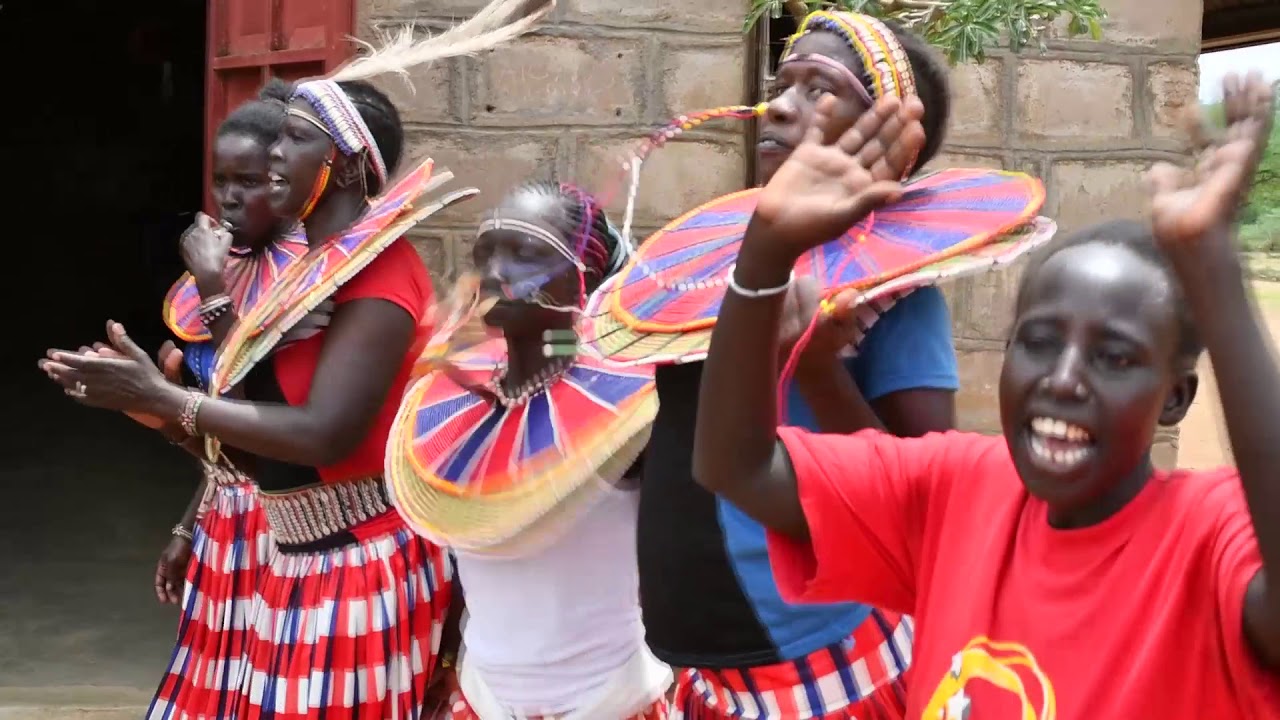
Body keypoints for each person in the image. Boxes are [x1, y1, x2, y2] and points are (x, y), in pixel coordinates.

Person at [693, 72, 1280, 717]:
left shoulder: (1203, 533)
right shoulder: (957, 491)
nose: (1062, 379)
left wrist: (1214, 274)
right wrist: (766, 252)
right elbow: (736, 466)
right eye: (1038, 342)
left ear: (1174, 398)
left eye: (1114, 357)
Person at [37, 3, 554, 711]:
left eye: (294, 141)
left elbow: (324, 434)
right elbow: (259, 448)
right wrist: (148, 406)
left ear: (342, 164)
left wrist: (169, 398)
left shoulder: (380, 275)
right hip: (295, 559)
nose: (272, 154)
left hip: (359, 565)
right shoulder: (308, 272)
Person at [637, 12, 954, 718]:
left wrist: (813, 362)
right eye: (783, 83)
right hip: (701, 673)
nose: (777, 106)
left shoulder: (895, 293)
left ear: (889, 134)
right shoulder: (723, 265)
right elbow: (651, 409)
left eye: (819, 88)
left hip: (819, 666)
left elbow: (925, 505)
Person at [387, 181, 671, 719]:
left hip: (613, 700)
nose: (494, 271)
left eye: (525, 253)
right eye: (484, 252)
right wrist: (442, 665)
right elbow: (466, 547)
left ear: (580, 276)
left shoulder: (629, 414)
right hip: (484, 698)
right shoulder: (454, 398)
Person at [146, 80, 310, 720]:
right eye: (221, 182)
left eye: (253, 181)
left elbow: (255, 416)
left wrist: (215, 288)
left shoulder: (312, 280)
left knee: (267, 690)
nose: (231, 198)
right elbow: (218, 439)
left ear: (289, 181)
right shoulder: (223, 268)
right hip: (227, 516)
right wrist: (188, 524)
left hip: (289, 524)